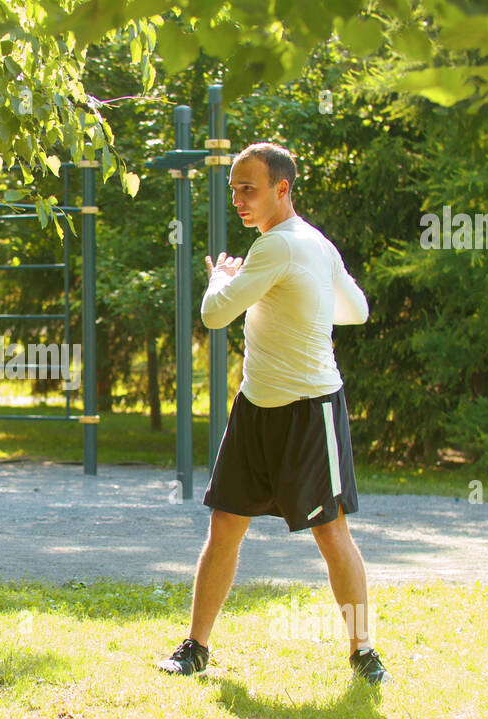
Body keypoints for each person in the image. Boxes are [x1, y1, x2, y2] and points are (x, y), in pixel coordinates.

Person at [156, 142, 389, 685]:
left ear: (282, 189)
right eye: (233, 188)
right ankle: (195, 647)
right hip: (256, 409)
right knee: (224, 528)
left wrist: (221, 277)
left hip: (310, 416)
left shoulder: (279, 248)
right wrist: (292, 298)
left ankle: (363, 652)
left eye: (249, 188)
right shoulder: (311, 243)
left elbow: (215, 315)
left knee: (332, 535)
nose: (238, 198)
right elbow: (355, 309)